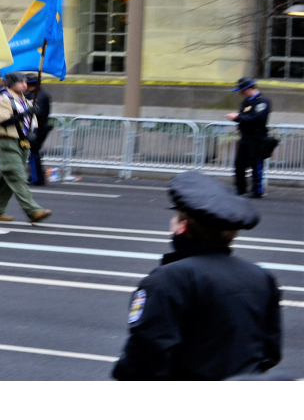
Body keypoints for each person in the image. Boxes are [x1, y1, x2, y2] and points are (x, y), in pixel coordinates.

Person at [112, 171, 281, 381]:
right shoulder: (261, 276)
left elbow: (146, 357)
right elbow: (270, 352)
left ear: (182, 227)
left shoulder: (167, 279)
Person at [0, 72, 51, 223]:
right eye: (21, 82)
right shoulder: (2, 99)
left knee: (7, 178)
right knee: (17, 175)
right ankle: (33, 211)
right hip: (7, 140)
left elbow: (32, 123)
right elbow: (5, 121)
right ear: (11, 83)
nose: (25, 85)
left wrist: (31, 130)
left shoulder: (25, 101)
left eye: (26, 82)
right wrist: (25, 113)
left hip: (22, 142)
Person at [227, 78, 271, 198]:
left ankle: (257, 190)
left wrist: (237, 118)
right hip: (245, 136)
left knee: (256, 164)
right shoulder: (246, 102)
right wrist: (239, 117)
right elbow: (243, 115)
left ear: (249, 89)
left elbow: (257, 119)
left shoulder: (262, 102)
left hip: (257, 137)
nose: (241, 94)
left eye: (242, 91)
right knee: (239, 164)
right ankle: (240, 189)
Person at [25, 75, 53, 186]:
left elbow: (39, 113)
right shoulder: (36, 95)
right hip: (38, 128)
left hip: (37, 129)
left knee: (33, 153)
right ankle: (35, 176)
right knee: (33, 153)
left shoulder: (38, 96)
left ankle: (36, 178)